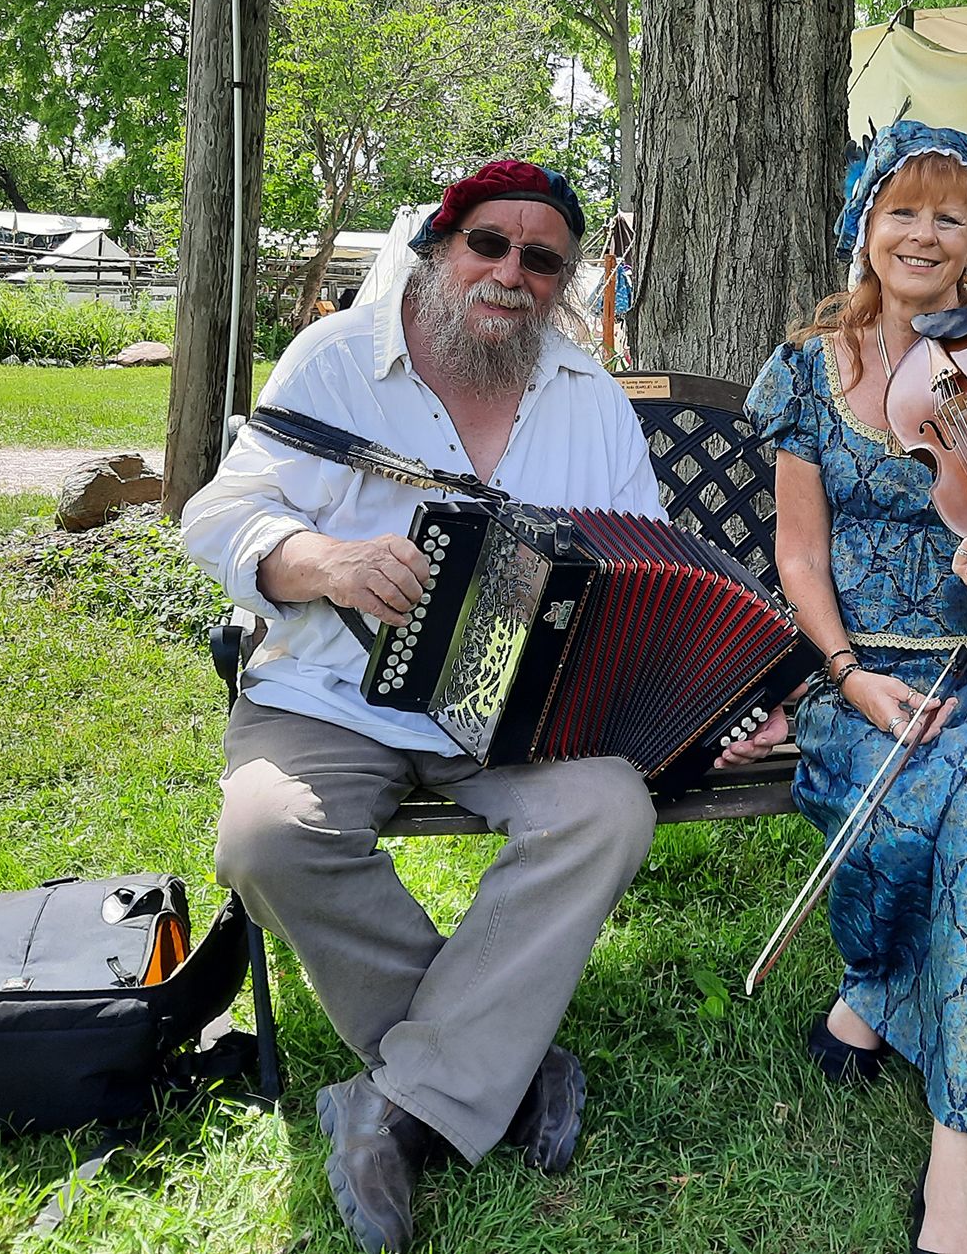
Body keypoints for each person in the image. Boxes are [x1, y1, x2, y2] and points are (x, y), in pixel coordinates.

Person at [180, 160, 663, 1254]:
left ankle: (393, 1107)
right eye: (489, 244)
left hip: (516, 704)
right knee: (267, 837)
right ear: (442, 248)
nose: (510, 273)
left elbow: (639, 560)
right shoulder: (340, 360)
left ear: (563, 282)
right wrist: (322, 562)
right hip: (331, 691)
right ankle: (507, 1067)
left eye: (542, 259)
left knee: (606, 812)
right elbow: (222, 511)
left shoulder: (586, 398)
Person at [745, 121, 967, 1254]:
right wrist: (848, 680)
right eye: (902, 210)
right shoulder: (807, 375)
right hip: (867, 674)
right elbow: (799, 559)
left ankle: (962, 1146)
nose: (923, 234)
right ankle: (884, 998)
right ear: (864, 226)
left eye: (949, 216)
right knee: (955, 794)